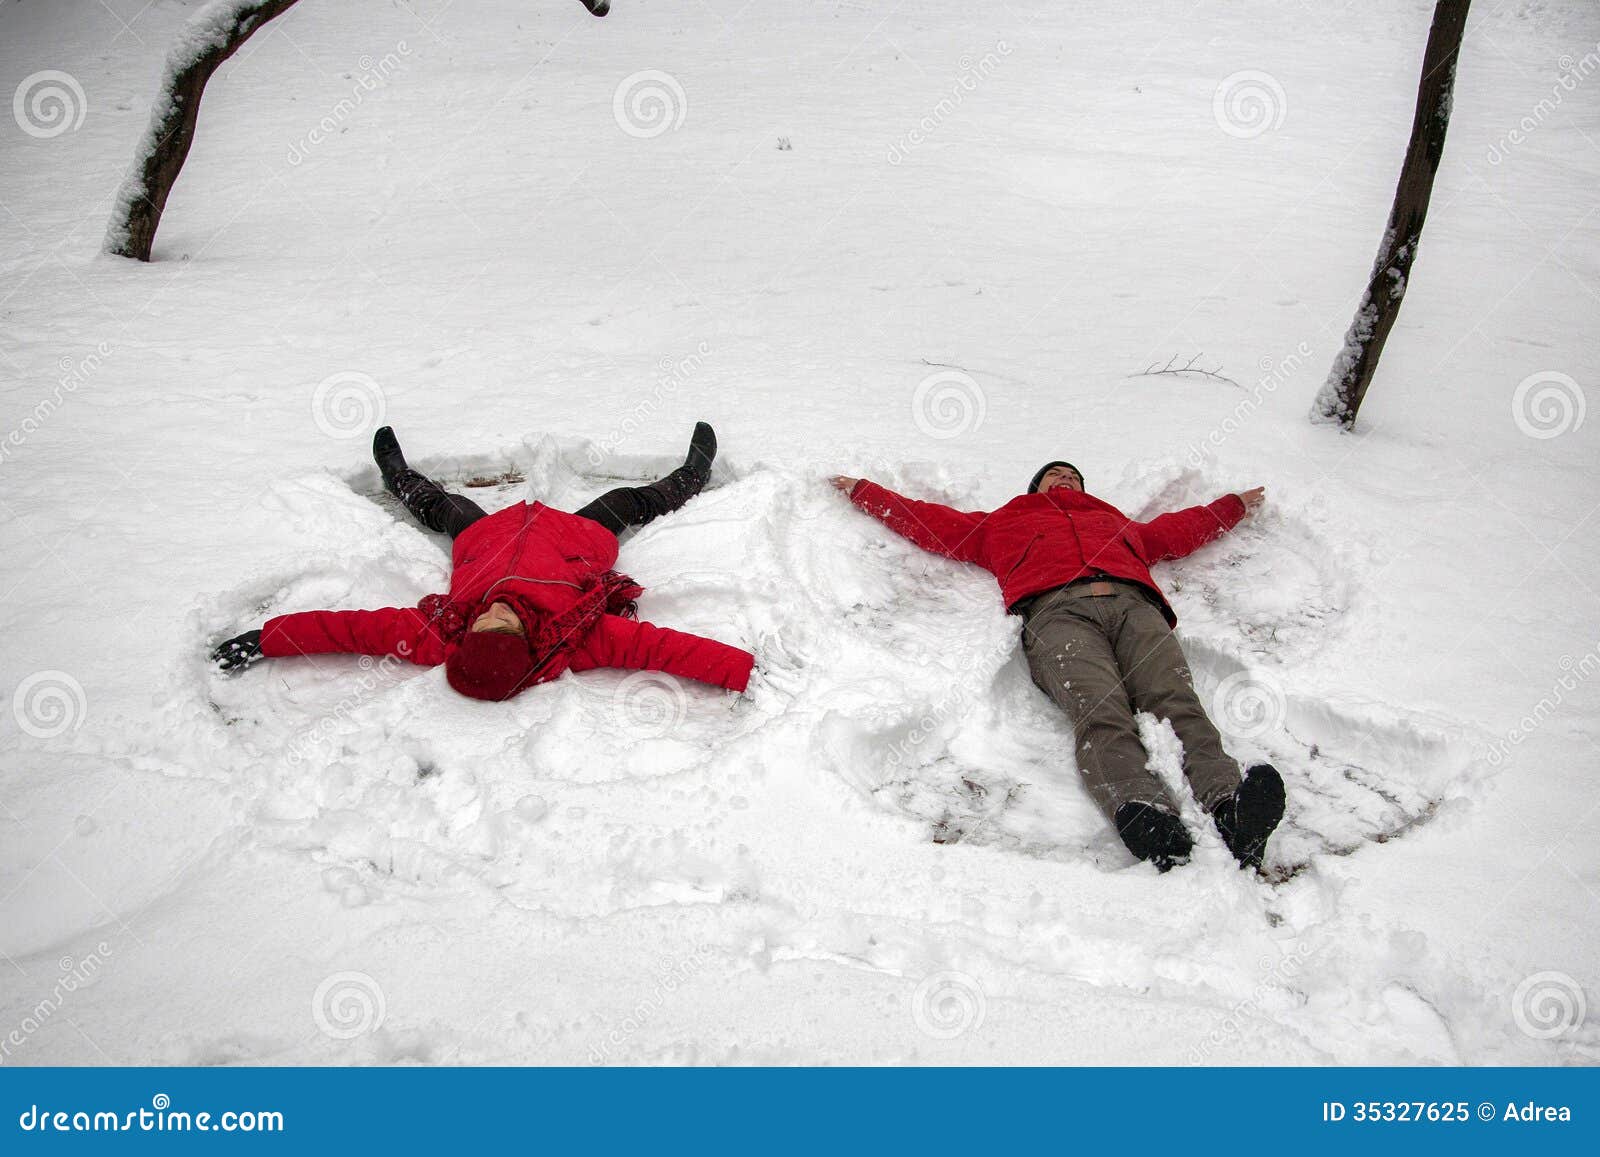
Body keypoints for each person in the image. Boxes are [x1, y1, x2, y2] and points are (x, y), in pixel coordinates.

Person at [832, 460, 1285, 873]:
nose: (1065, 478)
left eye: (1072, 475)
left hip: (1136, 608)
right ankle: (1146, 815)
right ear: (1035, 487)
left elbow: (1181, 530)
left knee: (1178, 701)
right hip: (1057, 613)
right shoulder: (1001, 524)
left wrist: (1232, 507)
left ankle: (1231, 809)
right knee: (1100, 709)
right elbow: (926, 520)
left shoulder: (1115, 522)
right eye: (1055, 474)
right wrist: (863, 491)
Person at [211, 422, 754, 700]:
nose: (494, 610)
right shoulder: (579, 636)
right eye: (505, 623)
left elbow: (353, 630)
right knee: (630, 504)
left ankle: (396, 475)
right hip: (576, 539)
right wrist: (743, 670)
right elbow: (664, 649)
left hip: (485, 539)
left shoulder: (439, 631)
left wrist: (268, 638)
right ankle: (690, 477)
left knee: (441, 508)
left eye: (484, 622)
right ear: (528, 641)